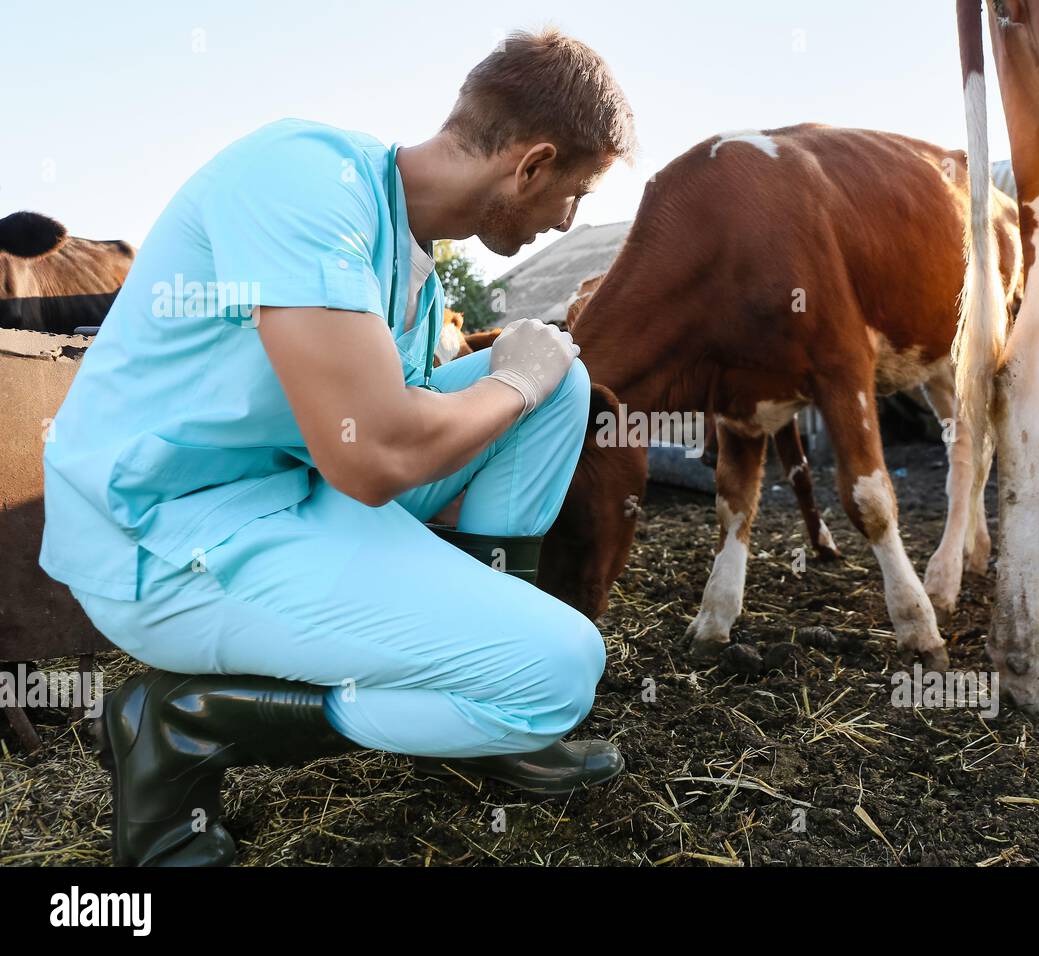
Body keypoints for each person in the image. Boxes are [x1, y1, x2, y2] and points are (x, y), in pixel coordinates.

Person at [39, 29, 636, 867]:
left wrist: (528, 384)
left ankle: (482, 702)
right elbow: (374, 458)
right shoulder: (302, 178)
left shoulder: (412, 259)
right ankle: (180, 724)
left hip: (293, 494)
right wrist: (512, 384)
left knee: (559, 382)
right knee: (559, 673)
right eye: (573, 195)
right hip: (167, 535)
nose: (566, 221)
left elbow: (397, 431)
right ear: (531, 166)